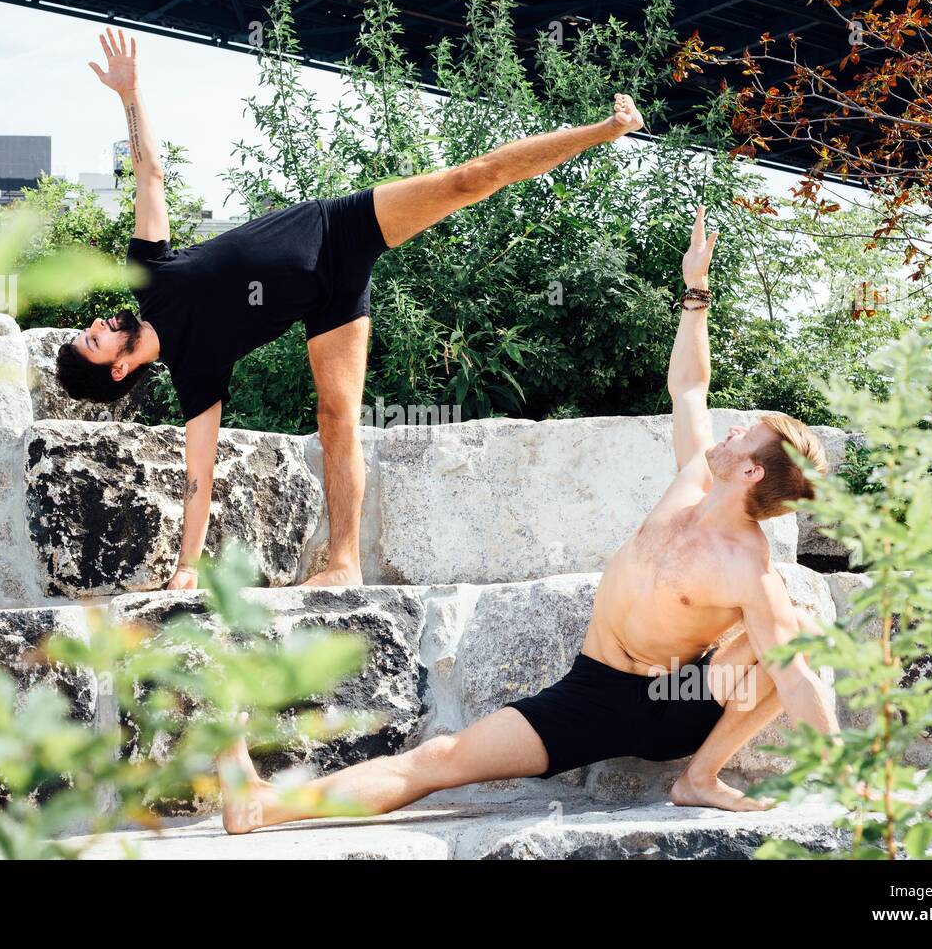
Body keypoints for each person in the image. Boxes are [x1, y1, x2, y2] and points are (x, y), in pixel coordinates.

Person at [215, 205, 839, 829]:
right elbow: (690, 389)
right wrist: (696, 292)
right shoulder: (694, 482)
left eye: (744, 437)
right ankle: (264, 807)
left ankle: (700, 776)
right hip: (595, 692)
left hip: (676, 702)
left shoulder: (745, 566)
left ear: (751, 473)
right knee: (443, 757)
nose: (730, 431)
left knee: (800, 629)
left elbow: (799, 678)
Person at [57, 27, 648, 589]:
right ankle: (344, 563)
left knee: (470, 179)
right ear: (117, 369)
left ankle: (604, 130)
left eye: (90, 329)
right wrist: (188, 565)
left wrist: (131, 94)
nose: (98, 325)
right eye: (93, 340)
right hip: (330, 303)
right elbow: (197, 477)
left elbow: (149, 172)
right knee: (336, 417)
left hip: (335, 228)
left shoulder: (148, 275)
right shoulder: (196, 376)